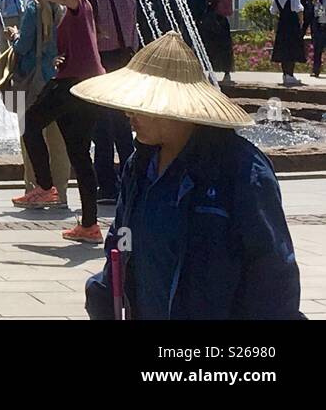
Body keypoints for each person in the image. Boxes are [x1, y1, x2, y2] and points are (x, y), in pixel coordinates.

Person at [79, 32, 302, 319]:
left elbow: (273, 272)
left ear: (171, 104)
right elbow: (123, 238)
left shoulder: (240, 170)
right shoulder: (139, 166)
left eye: (138, 104)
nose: (127, 113)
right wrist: (104, 292)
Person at [2, 0, 105, 242]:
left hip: (70, 85)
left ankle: (46, 187)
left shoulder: (79, 1)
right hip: (87, 85)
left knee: (30, 126)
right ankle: (90, 225)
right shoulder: (82, 13)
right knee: (80, 156)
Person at [6, 0, 71, 206]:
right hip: (56, 76)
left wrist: (12, 36)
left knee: (31, 137)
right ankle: (61, 194)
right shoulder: (62, 8)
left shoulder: (34, 8)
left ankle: (34, 189)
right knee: (58, 140)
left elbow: (23, 47)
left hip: (33, 79)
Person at [85, 0, 139, 205]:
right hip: (125, 60)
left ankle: (107, 186)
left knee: (102, 126)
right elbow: (134, 31)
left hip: (102, 62)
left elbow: (90, 32)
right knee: (123, 126)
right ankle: (134, 180)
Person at [271, 0, 306, 87]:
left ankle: (285, 74)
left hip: (282, 24)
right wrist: (301, 22)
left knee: (283, 49)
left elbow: (273, 11)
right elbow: (299, 10)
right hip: (292, 24)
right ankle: (290, 74)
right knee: (292, 48)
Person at [198, 0, 235, 85]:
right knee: (225, 48)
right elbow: (229, 12)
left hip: (210, 25)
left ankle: (211, 72)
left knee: (211, 49)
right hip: (222, 24)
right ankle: (226, 73)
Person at [310, 0, 326, 79]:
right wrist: (317, 5)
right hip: (320, 26)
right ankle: (316, 70)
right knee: (318, 50)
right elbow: (317, 13)